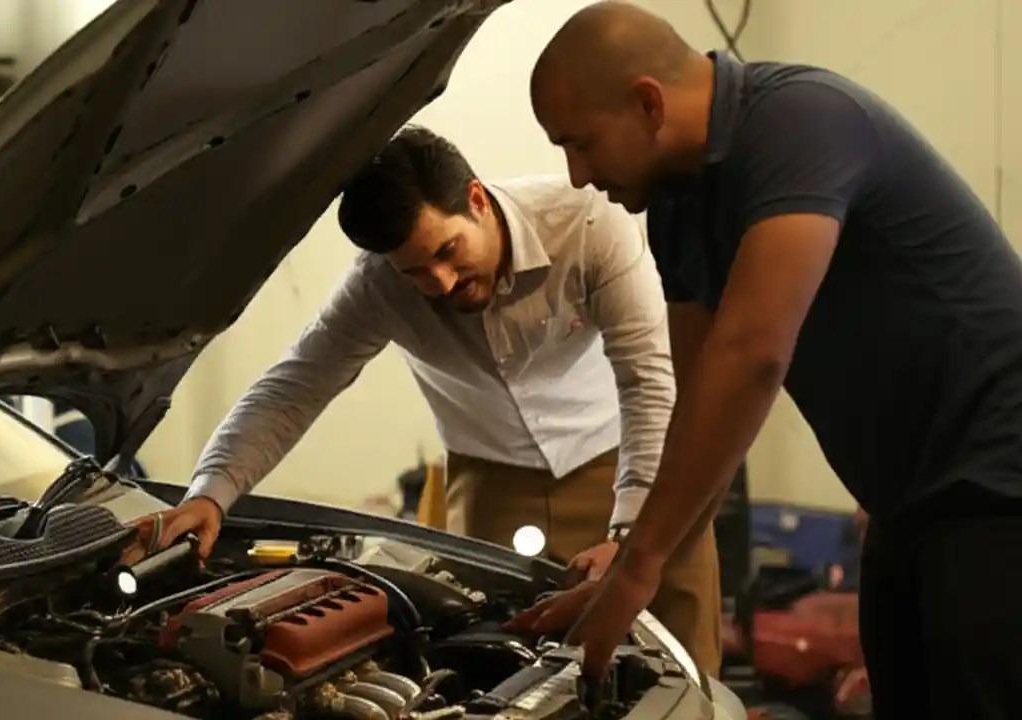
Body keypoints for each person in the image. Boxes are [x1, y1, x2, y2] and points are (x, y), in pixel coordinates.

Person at [510, 3, 1022, 718]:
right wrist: (631, 557)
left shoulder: (801, 122)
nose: (578, 174)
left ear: (648, 102)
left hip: (997, 485)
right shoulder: (675, 209)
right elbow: (700, 403)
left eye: (582, 144)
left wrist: (638, 572)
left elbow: (751, 354)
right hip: (909, 501)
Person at [153, 125, 724, 674]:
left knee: (688, 667)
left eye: (448, 251)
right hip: (493, 489)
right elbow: (293, 387)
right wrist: (211, 493)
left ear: (476, 199)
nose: (442, 283)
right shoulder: (378, 285)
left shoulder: (586, 224)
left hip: (637, 464)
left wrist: (627, 535)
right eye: (417, 271)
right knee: (504, 667)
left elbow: (649, 381)